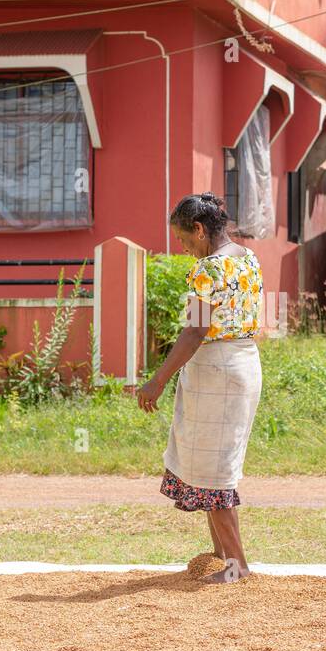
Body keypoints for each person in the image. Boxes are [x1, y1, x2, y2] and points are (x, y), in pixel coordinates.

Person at [136, 192, 263, 583]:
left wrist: (157, 381)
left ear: (198, 229)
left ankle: (236, 566)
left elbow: (194, 331)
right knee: (215, 464)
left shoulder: (207, 268)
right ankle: (221, 554)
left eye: (183, 239)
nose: (183, 247)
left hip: (216, 370)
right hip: (243, 363)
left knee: (215, 469)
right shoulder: (247, 257)